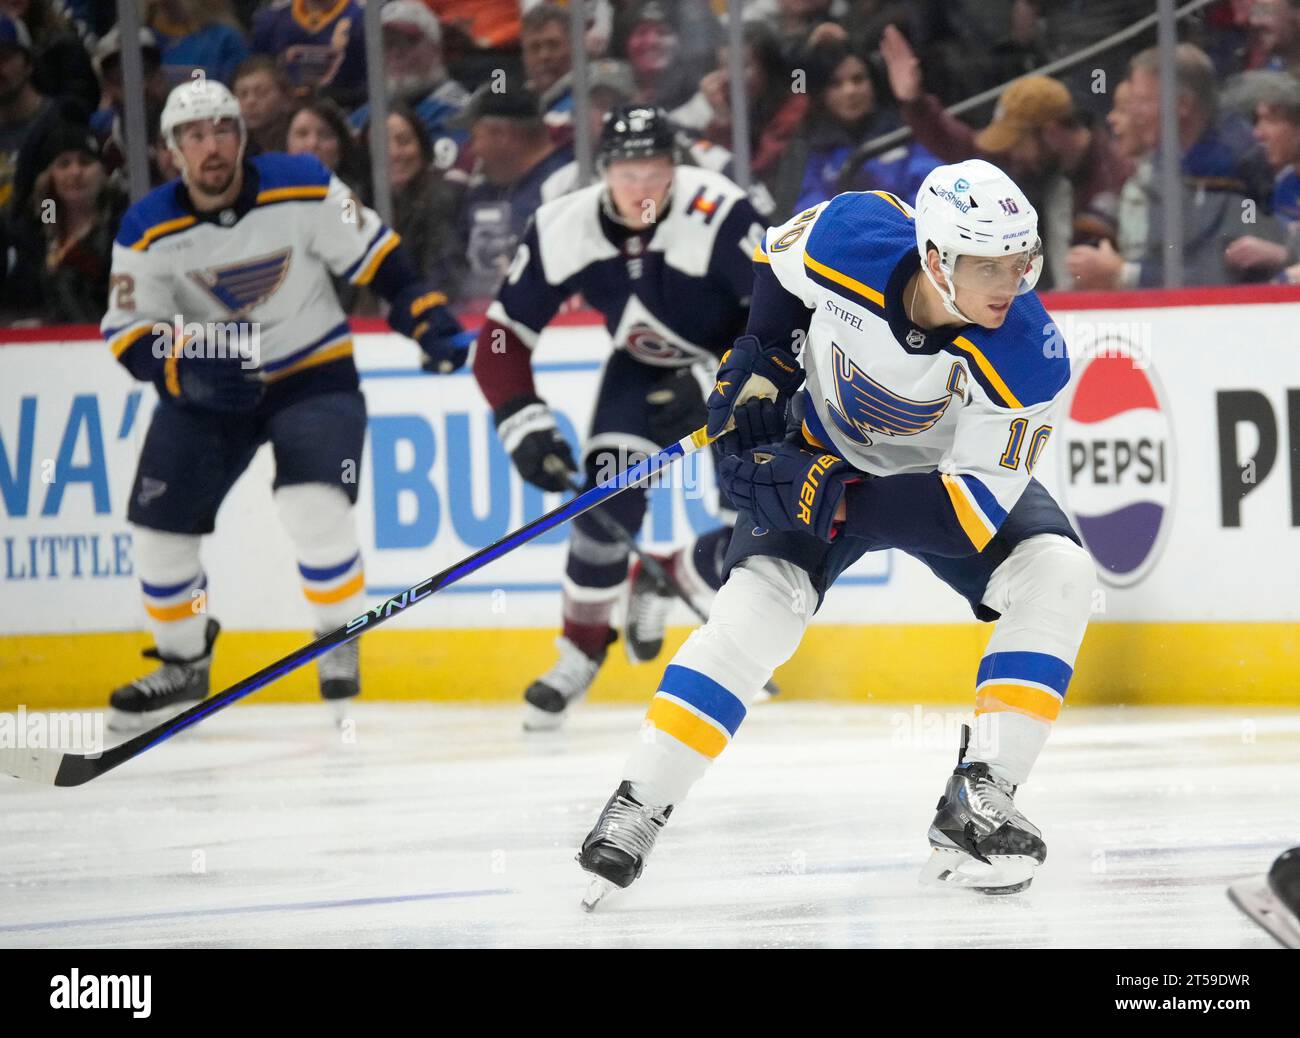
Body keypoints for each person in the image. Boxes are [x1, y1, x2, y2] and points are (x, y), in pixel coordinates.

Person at [577, 159, 1097, 906]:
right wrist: (762, 361)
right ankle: (638, 804)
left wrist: (831, 501)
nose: (1009, 283)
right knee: (753, 614)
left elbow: (965, 512)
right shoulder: (850, 233)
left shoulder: (1028, 353)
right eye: (987, 264)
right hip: (817, 444)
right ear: (933, 257)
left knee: (1059, 575)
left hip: (934, 479)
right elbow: (778, 271)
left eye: (1022, 262)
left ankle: (980, 796)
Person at [100, 80, 467, 731]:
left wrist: (422, 315)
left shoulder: (305, 182)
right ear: (171, 152)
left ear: (243, 136)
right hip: (208, 391)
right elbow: (130, 332)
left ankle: (337, 633)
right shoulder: (146, 225)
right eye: (194, 136)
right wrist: (182, 372)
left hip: (313, 374)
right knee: (159, 536)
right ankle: (183, 661)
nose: (211, 146)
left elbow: (381, 257)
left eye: (222, 130)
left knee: (314, 505)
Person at [471, 105, 767, 730]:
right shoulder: (561, 226)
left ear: (675, 169)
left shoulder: (720, 210)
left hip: (736, 373)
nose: (642, 188)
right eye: (627, 172)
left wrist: (750, 385)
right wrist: (522, 421)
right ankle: (577, 653)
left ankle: (673, 576)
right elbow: (501, 337)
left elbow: (782, 308)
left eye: (656, 170)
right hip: (640, 369)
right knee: (603, 505)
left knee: (761, 522)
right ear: (603, 172)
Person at [451, 76, 572, 302]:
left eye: (474, 137)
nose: (470, 150)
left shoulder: (567, 185)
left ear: (503, 135)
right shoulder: (482, 193)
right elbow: (451, 271)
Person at [346, 0, 468, 171]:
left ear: (435, 48)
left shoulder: (458, 111)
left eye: (407, 42)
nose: (395, 53)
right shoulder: (367, 112)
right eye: (386, 44)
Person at [28, 121, 126, 322]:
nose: (75, 172)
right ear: (50, 176)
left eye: (85, 162)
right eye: (64, 164)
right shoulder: (38, 228)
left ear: (103, 173)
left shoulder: (120, 228)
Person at [385, 102, 464, 297]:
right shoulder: (351, 201)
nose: (394, 153)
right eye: (381, 143)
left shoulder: (443, 198)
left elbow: (442, 279)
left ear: (423, 146)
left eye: (403, 142)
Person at [250, 0, 367, 106]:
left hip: (350, 111)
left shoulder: (364, 17)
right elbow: (255, 73)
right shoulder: (271, 20)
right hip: (283, 115)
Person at [232, 54, 293, 156]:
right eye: (242, 94)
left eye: (261, 93)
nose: (250, 101)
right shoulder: (232, 147)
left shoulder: (299, 140)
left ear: (285, 98)